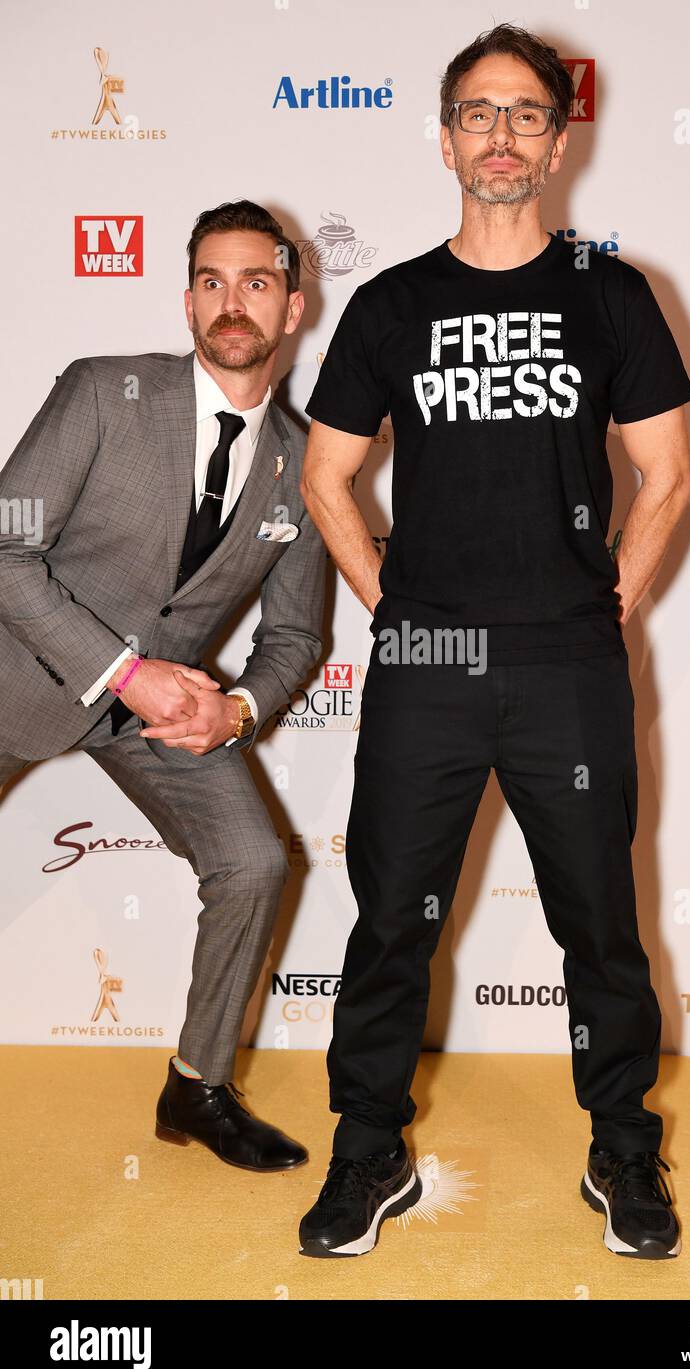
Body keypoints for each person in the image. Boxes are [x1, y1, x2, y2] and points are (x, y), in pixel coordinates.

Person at [298, 22, 690, 1259]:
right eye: (478, 113)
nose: (502, 135)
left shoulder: (609, 292)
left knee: (598, 921)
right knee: (387, 924)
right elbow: (325, 477)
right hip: (428, 665)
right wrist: (392, 608)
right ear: (445, 138)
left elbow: (665, 473)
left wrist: (611, 600)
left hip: (564, 663)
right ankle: (368, 1153)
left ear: (558, 140)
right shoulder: (394, 303)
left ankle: (622, 1148)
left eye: (526, 113)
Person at [0, 199, 326, 1173]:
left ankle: (197, 1086)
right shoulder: (103, 393)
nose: (234, 303)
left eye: (257, 283)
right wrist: (128, 674)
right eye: (214, 282)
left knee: (255, 862)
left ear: (293, 307)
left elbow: (297, 635)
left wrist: (237, 707)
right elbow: (7, 548)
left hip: (154, 708)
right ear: (187, 300)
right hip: (19, 667)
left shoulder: (305, 464)